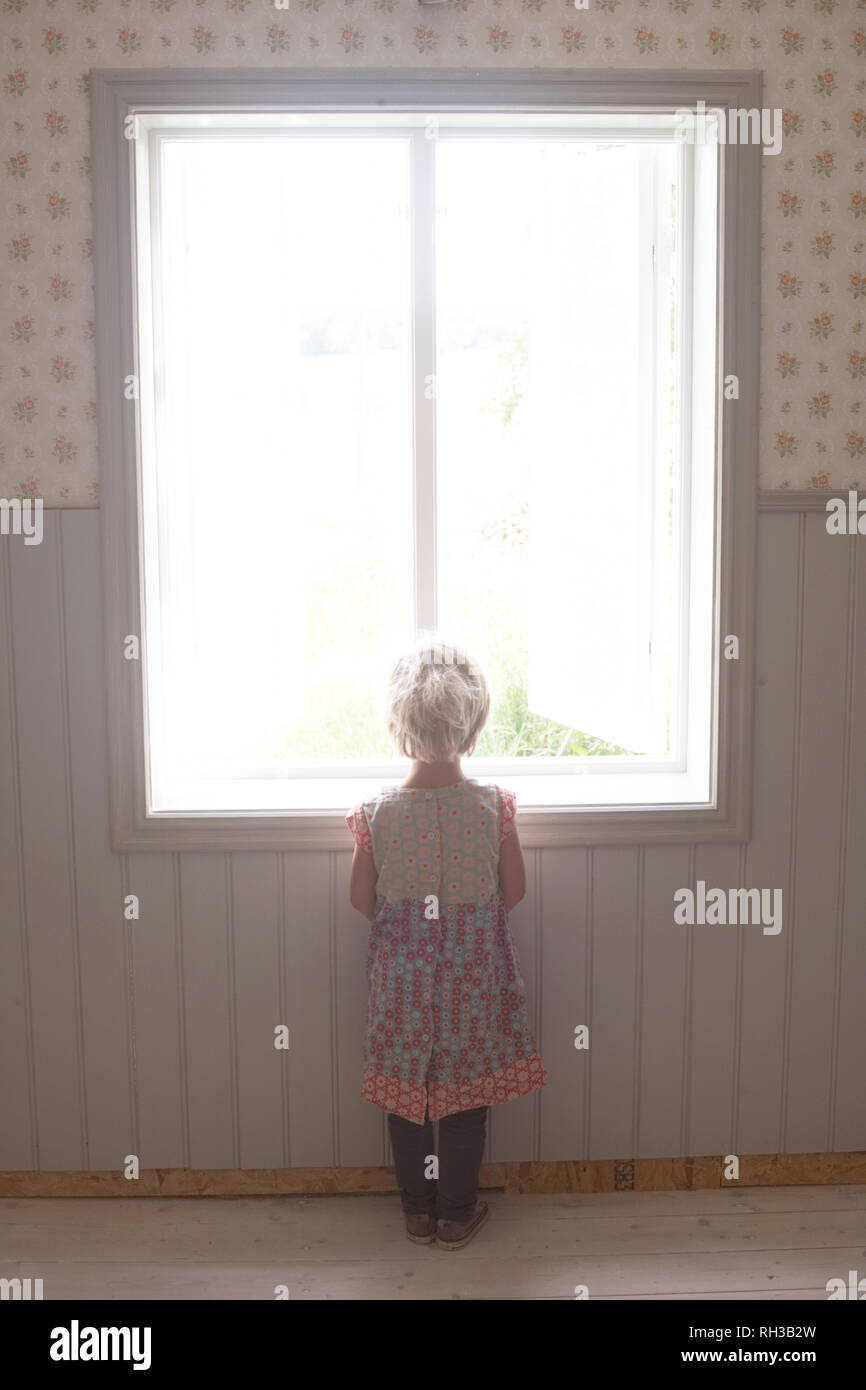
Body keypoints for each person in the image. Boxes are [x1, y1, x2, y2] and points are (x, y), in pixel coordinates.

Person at [345, 636, 547, 1250]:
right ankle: (458, 1215)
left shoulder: (376, 812)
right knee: (464, 1103)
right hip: (472, 981)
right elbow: (514, 889)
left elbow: (361, 899)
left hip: (402, 984)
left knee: (407, 1097)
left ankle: (417, 1212)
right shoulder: (493, 807)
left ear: (398, 723)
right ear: (475, 721)